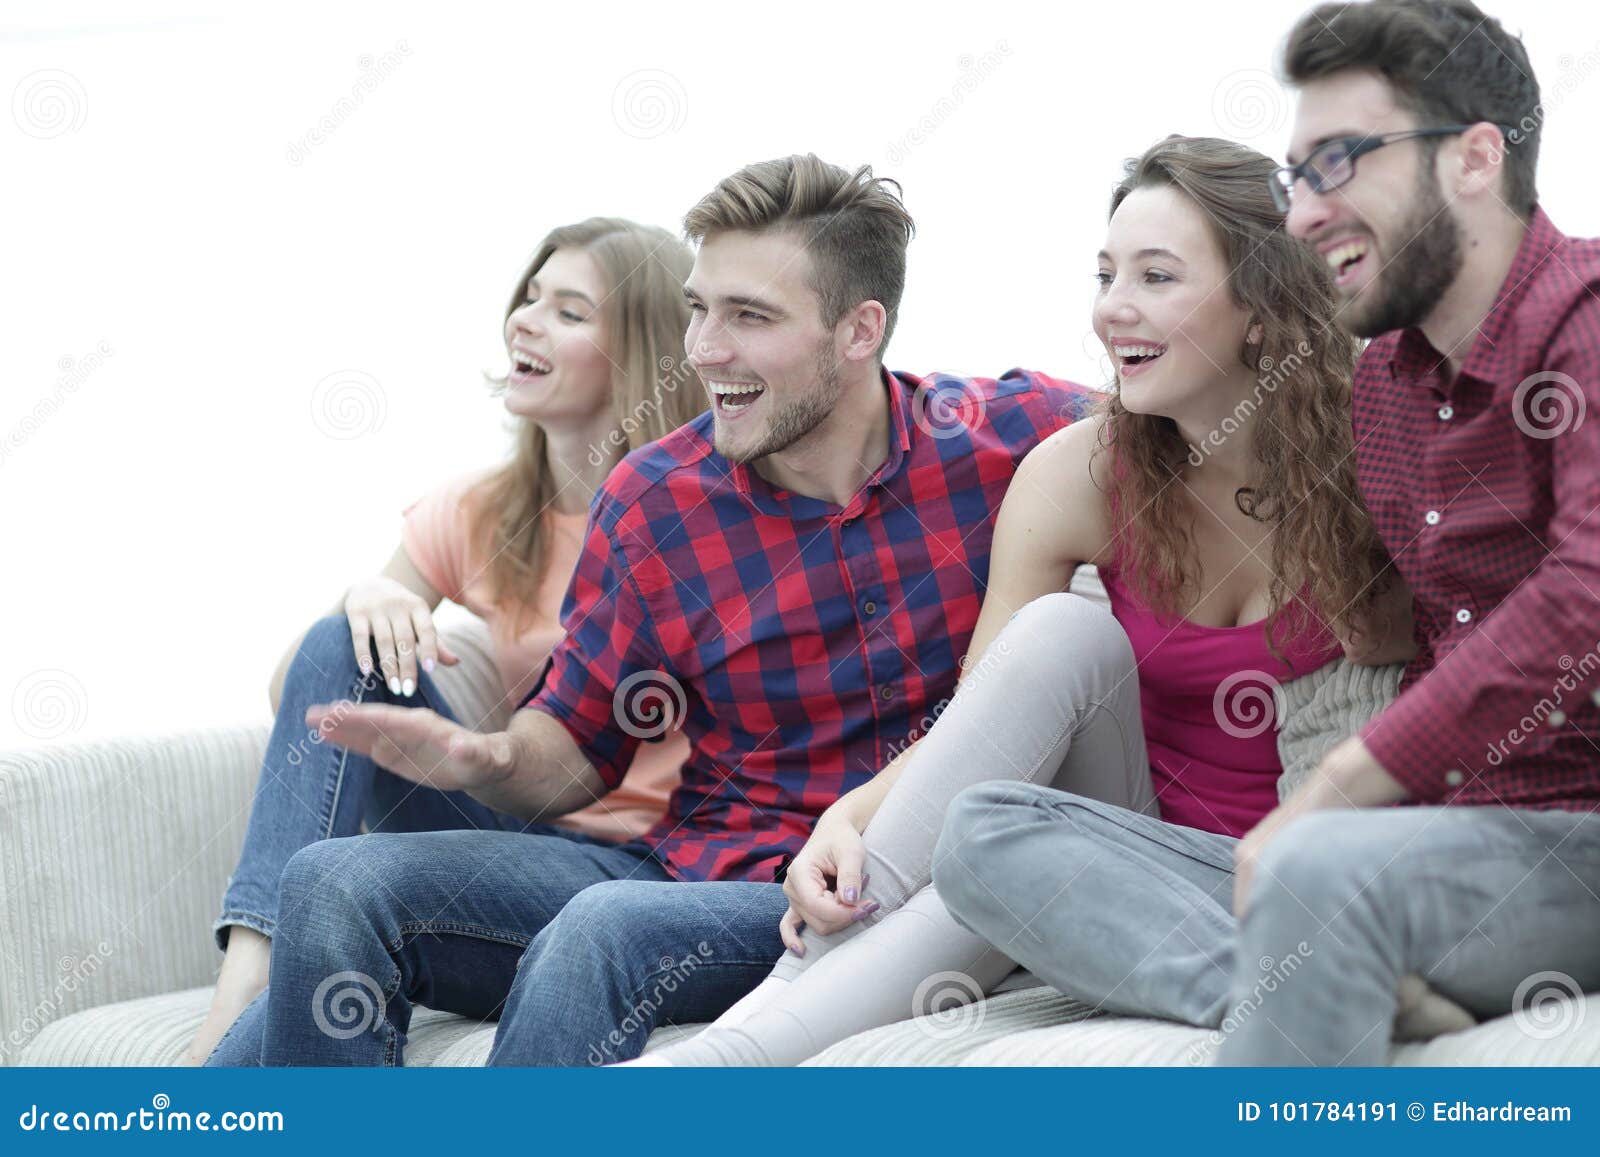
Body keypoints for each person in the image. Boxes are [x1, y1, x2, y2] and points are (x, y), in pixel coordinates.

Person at [202, 153, 1097, 1067]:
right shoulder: (653, 498)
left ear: (859, 329)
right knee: (333, 881)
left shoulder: (1015, 437)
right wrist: (487, 757)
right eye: (701, 306)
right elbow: (578, 752)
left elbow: (1195, 426)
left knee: (604, 927)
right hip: (687, 864)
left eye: (749, 315)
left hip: (860, 887)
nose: (704, 347)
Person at [629, 134, 1443, 1068]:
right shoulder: (1082, 472)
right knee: (1053, 655)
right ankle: (737, 1048)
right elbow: (984, 716)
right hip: (1125, 855)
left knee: (996, 853)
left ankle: (723, 1060)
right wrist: (850, 814)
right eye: (1105, 275)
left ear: (1261, 309)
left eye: (1157, 277)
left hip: (1295, 863)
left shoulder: (1381, 460)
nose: (1112, 310)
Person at [942, 0, 1600, 1067]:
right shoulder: (1384, 388)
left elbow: (1587, 594)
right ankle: (1332, 987)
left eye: (1341, 162)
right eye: (1299, 177)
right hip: (1416, 849)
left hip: (1570, 840)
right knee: (984, 832)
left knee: (1313, 871)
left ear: (1476, 158)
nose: (1302, 215)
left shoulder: (1586, 323)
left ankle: (1326, 956)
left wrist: (1341, 789)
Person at [188, 217, 699, 1063]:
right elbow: (306, 693)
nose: (524, 321)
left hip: (643, 866)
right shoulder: (480, 509)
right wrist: (373, 595)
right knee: (338, 636)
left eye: (569, 311)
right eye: (529, 297)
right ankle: (253, 955)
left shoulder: (695, 515)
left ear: (640, 355)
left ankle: (247, 1026)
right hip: (510, 831)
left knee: (244, 1060)